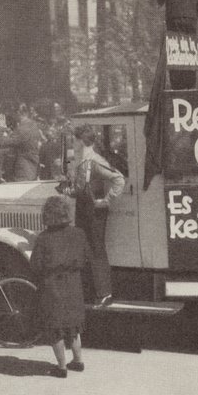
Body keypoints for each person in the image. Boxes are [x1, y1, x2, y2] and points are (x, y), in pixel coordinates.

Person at [30, 195, 90, 378]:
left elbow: (35, 265)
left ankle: (61, 367)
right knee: (73, 326)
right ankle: (78, 361)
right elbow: (86, 257)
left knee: (55, 328)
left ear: (47, 215)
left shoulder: (43, 238)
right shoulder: (79, 233)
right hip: (73, 286)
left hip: (52, 288)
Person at [68, 124, 124, 307]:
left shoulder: (94, 161)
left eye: (74, 141)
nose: (73, 144)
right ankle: (92, 291)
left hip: (94, 211)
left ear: (81, 142)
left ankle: (105, 293)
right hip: (84, 209)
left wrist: (107, 199)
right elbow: (82, 187)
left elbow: (118, 179)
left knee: (97, 250)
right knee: (86, 249)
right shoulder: (84, 161)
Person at [0, 104, 43, 181]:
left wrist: (1, 129)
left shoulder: (23, 128)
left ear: (19, 113)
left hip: (24, 167)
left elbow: (6, 142)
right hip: (32, 165)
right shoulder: (33, 125)